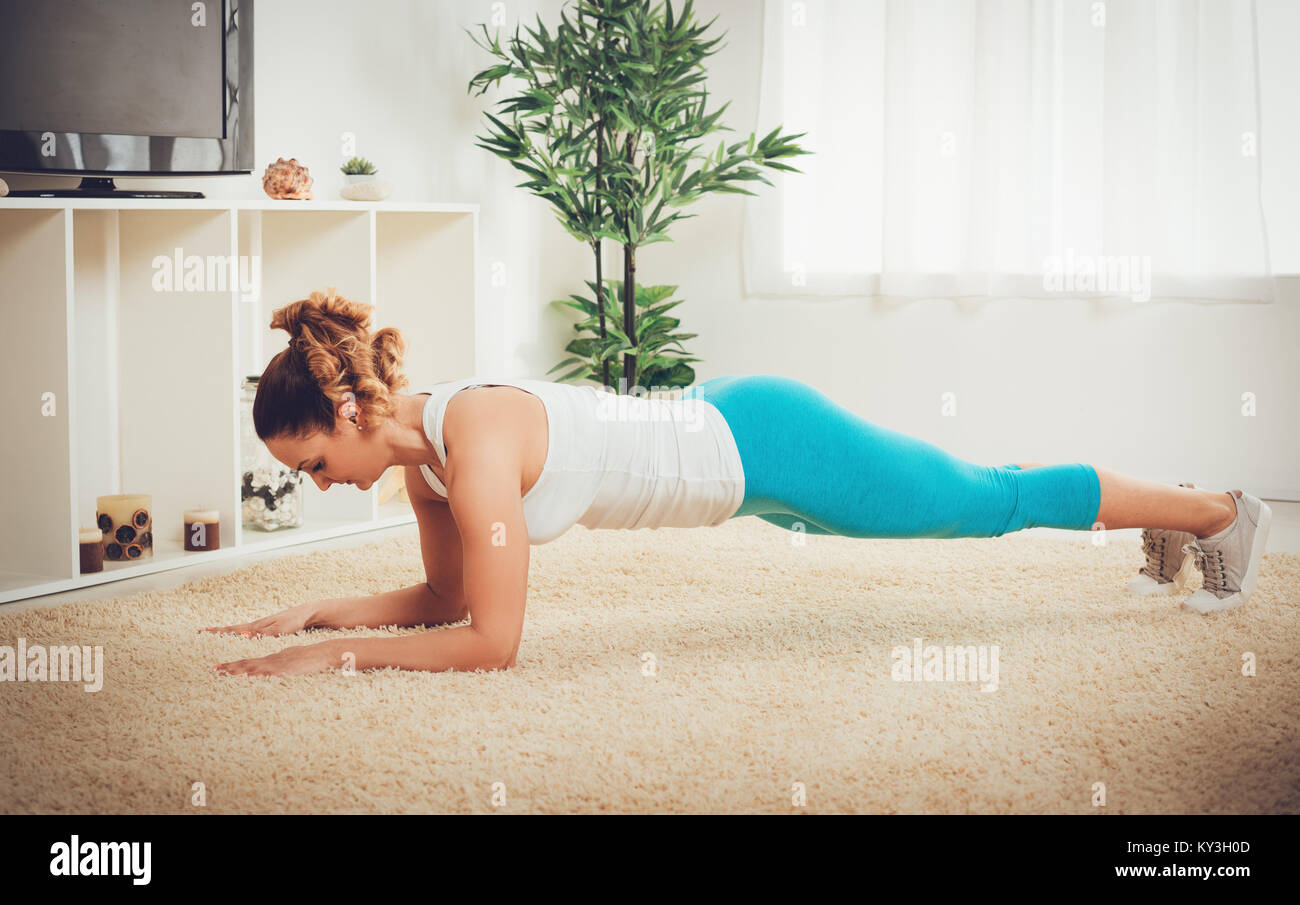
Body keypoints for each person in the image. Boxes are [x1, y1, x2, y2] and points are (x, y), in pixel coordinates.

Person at [206, 289, 1272, 677]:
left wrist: (333, 656)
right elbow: (447, 603)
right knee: (968, 492)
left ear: (347, 415)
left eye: (311, 466)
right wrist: (326, 609)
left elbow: (494, 642)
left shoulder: (471, 443)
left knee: (975, 497)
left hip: (764, 442)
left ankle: (1219, 510)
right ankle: (1172, 525)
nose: (322, 485)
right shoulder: (429, 465)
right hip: (740, 456)